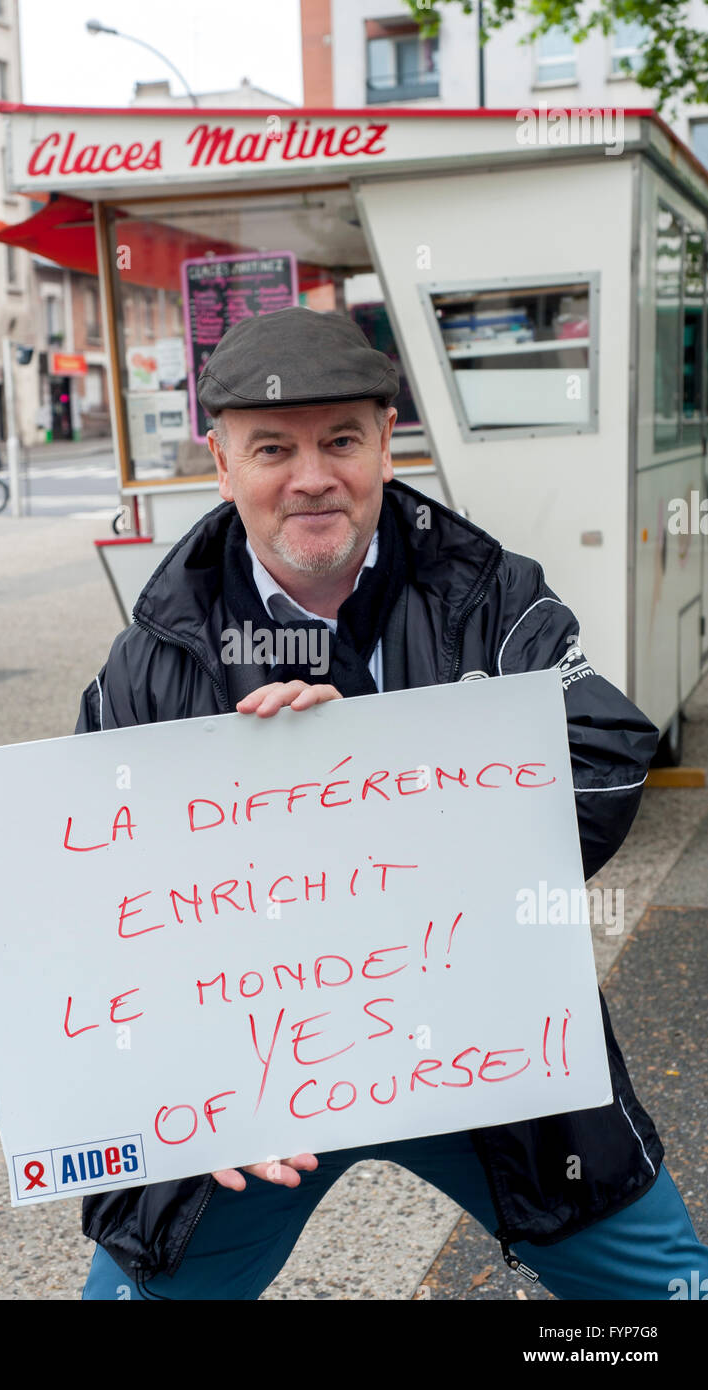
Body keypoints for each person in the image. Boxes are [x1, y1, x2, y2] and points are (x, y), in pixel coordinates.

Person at [75, 307, 708, 1300]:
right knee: (141, 1291)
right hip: (255, 1078)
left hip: (485, 1042)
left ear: (384, 439)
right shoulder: (151, 654)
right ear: (220, 459)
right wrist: (183, 1087)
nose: (311, 475)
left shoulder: (489, 594)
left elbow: (606, 766)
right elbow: (94, 900)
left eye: (340, 440)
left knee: (662, 1293)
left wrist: (379, 764)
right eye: (272, 448)